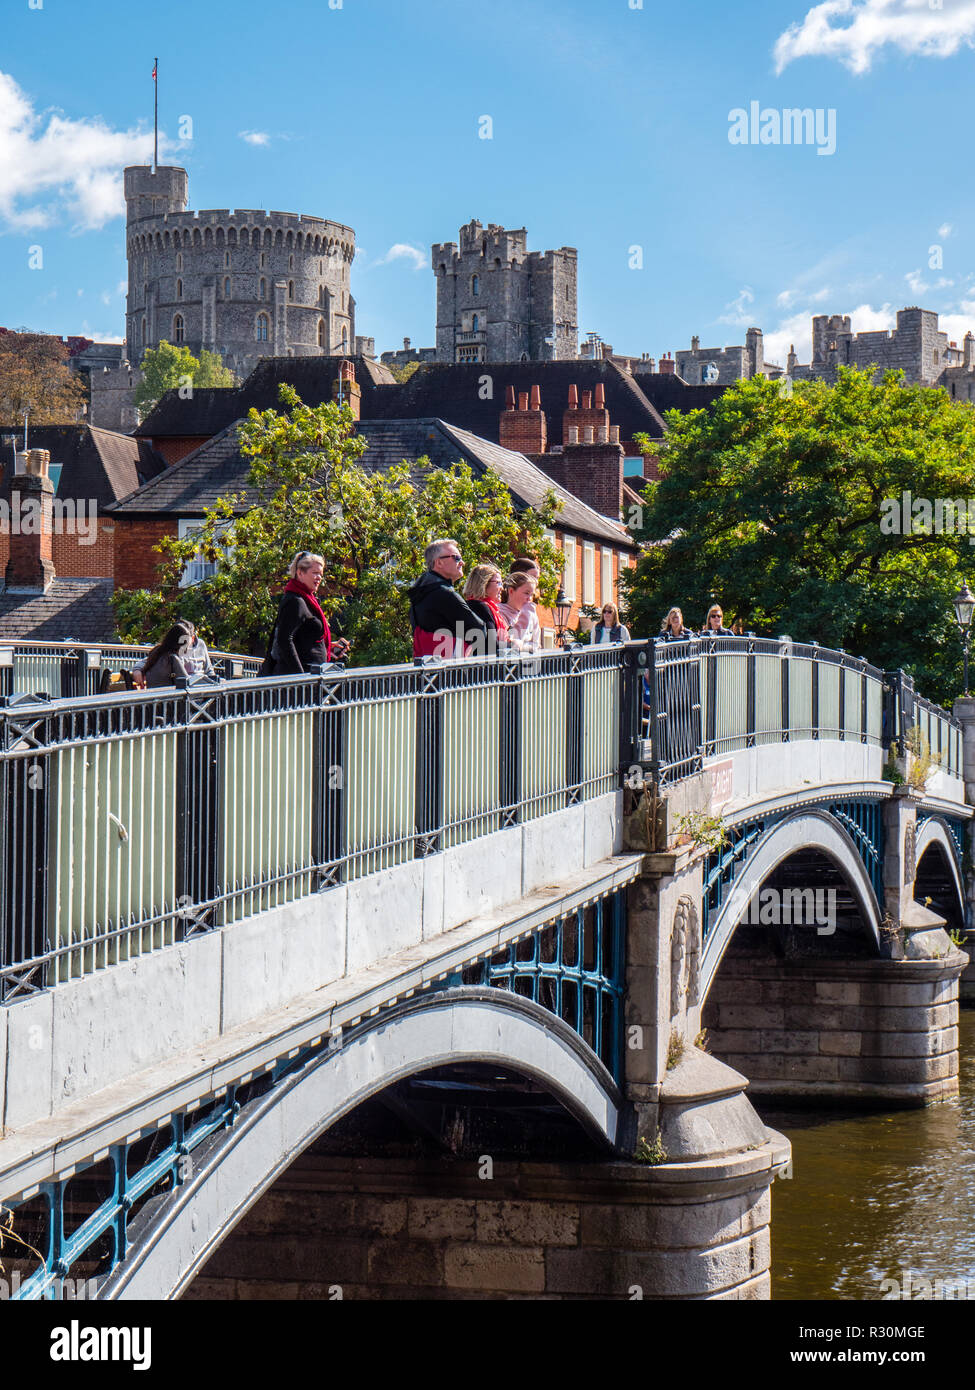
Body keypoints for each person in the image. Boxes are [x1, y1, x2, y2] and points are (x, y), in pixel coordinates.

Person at [261, 551, 350, 676]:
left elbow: (303, 639)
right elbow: (284, 640)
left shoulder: (307, 599)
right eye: (315, 573)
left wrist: (328, 647)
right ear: (300, 573)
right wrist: (300, 677)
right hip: (300, 682)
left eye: (321, 574)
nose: (319, 577)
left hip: (312, 675)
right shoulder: (295, 601)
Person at [408, 538, 487, 658]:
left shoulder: (420, 593)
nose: (462, 562)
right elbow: (479, 630)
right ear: (439, 563)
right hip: (452, 669)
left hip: (429, 668)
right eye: (456, 558)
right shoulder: (444, 593)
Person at [463, 564, 509, 653]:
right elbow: (492, 645)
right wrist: (517, 645)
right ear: (484, 583)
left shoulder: (473, 605)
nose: (502, 588)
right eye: (498, 583)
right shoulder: (480, 607)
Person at [137, 621, 195, 689]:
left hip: (153, 696)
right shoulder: (173, 658)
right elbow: (186, 683)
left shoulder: (156, 652)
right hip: (167, 697)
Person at [500, 572, 542, 653]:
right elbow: (512, 643)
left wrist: (524, 647)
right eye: (526, 593)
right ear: (511, 591)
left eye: (532, 595)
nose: (529, 598)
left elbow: (536, 645)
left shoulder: (532, 615)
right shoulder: (500, 612)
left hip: (527, 664)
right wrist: (525, 616)